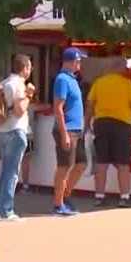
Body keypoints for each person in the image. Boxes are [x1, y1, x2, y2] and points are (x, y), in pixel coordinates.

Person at [87, 59, 131, 207]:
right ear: (122, 68)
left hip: (101, 123)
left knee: (101, 162)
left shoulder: (99, 83)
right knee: (123, 163)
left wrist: (86, 125)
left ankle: (99, 196)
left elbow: (90, 105)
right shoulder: (128, 85)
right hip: (121, 124)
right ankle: (124, 197)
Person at [0, 54, 34, 220]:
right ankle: (6, 210)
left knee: (4, 171)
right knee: (11, 173)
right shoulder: (19, 85)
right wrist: (29, 94)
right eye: (29, 67)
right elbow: (19, 110)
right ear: (25, 68)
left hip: (2, 130)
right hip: (16, 130)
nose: (30, 70)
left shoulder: (4, 83)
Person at [52, 47, 88, 216]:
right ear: (72, 61)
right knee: (64, 167)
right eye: (79, 60)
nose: (80, 64)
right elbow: (58, 107)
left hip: (77, 129)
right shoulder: (62, 79)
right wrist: (64, 132)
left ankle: (65, 196)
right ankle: (58, 205)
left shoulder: (72, 79)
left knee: (81, 164)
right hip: (68, 129)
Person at [20, 79, 43, 193]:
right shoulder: (31, 105)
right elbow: (47, 106)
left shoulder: (18, 103)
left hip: (17, 134)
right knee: (25, 161)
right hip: (27, 135)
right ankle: (25, 185)